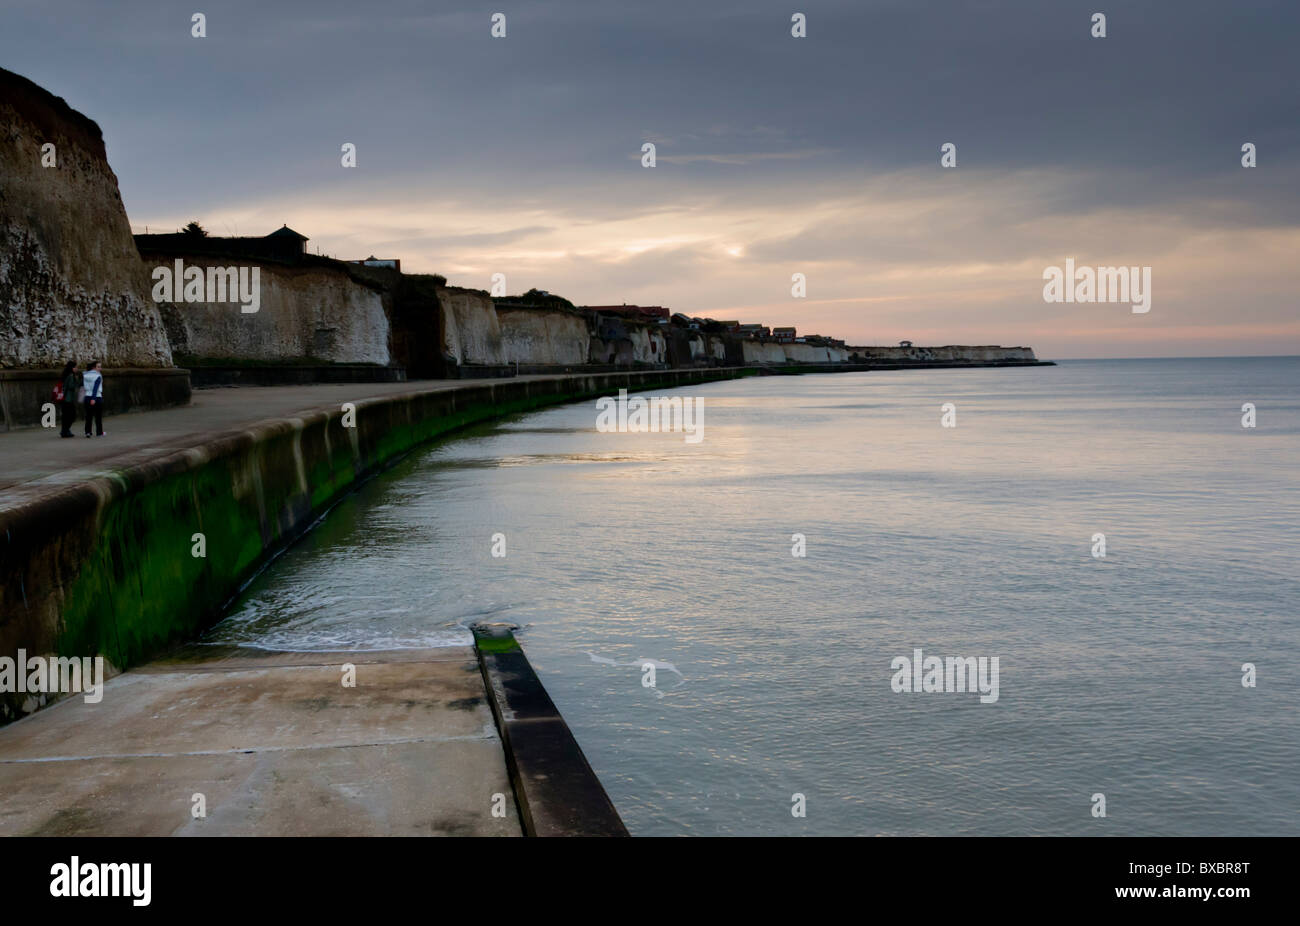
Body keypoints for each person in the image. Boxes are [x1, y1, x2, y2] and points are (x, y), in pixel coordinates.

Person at [82, 360, 105, 437]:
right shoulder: (98, 376)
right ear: (94, 367)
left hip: (87, 396)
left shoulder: (85, 375)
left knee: (88, 416)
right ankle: (99, 432)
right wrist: (94, 398)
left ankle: (88, 432)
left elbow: (81, 385)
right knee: (98, 417)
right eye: (98, 367)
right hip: (97, 397)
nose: (100, 368)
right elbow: (95, 388)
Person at [57, 360, 79, 438]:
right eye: (75, 367)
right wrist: (77, 381)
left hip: (64, 398)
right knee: (72, 415)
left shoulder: (65, 375)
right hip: (68, 399)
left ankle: (65, 431)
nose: (77, 369)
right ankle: (66, 430)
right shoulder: (71, 376)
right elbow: (71, 386)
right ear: (72, 368)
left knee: (65, 416)